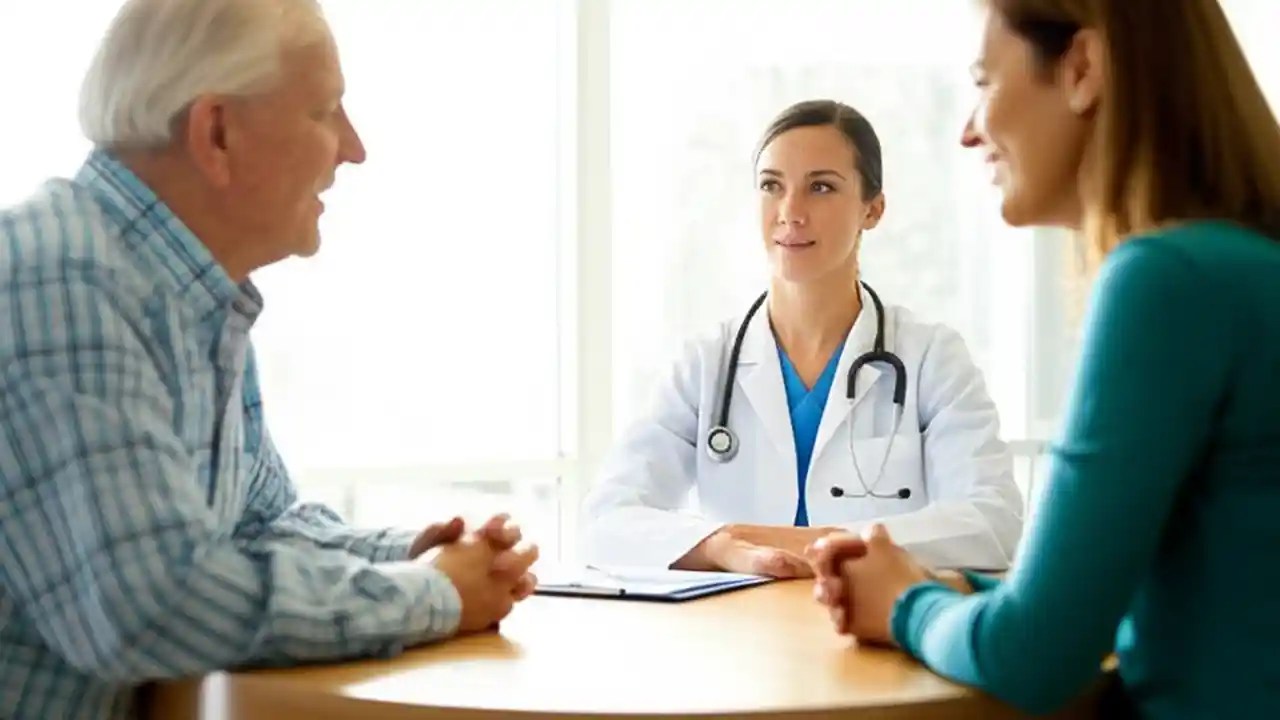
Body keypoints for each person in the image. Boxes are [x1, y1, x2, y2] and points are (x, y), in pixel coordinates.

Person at [0, 1, 538, 719]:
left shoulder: (185, 292)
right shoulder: (61, 273)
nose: (354, 148)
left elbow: (256, 526)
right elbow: (150, 605)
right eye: (326, 112)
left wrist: (417, 552)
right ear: (216, 132)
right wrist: (436, 595)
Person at [811, 0, 1280, 717]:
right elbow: (1168, 591)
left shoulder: (1165, 279)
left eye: (983, 82)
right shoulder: (1244, 270)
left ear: (1083, 69)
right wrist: (961, 589)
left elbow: (1033, 654)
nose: (969, 132)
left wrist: (906, 605)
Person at [581, 100, 1024, 577]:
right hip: (736, 635)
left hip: (874, 633)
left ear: (872, 209)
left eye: (821, 187)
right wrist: (720, 549)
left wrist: (816, 543)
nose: (790, 212)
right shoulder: (707, 364)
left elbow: (992, 523)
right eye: (772, 185)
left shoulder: (931, 358)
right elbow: (608, 521)